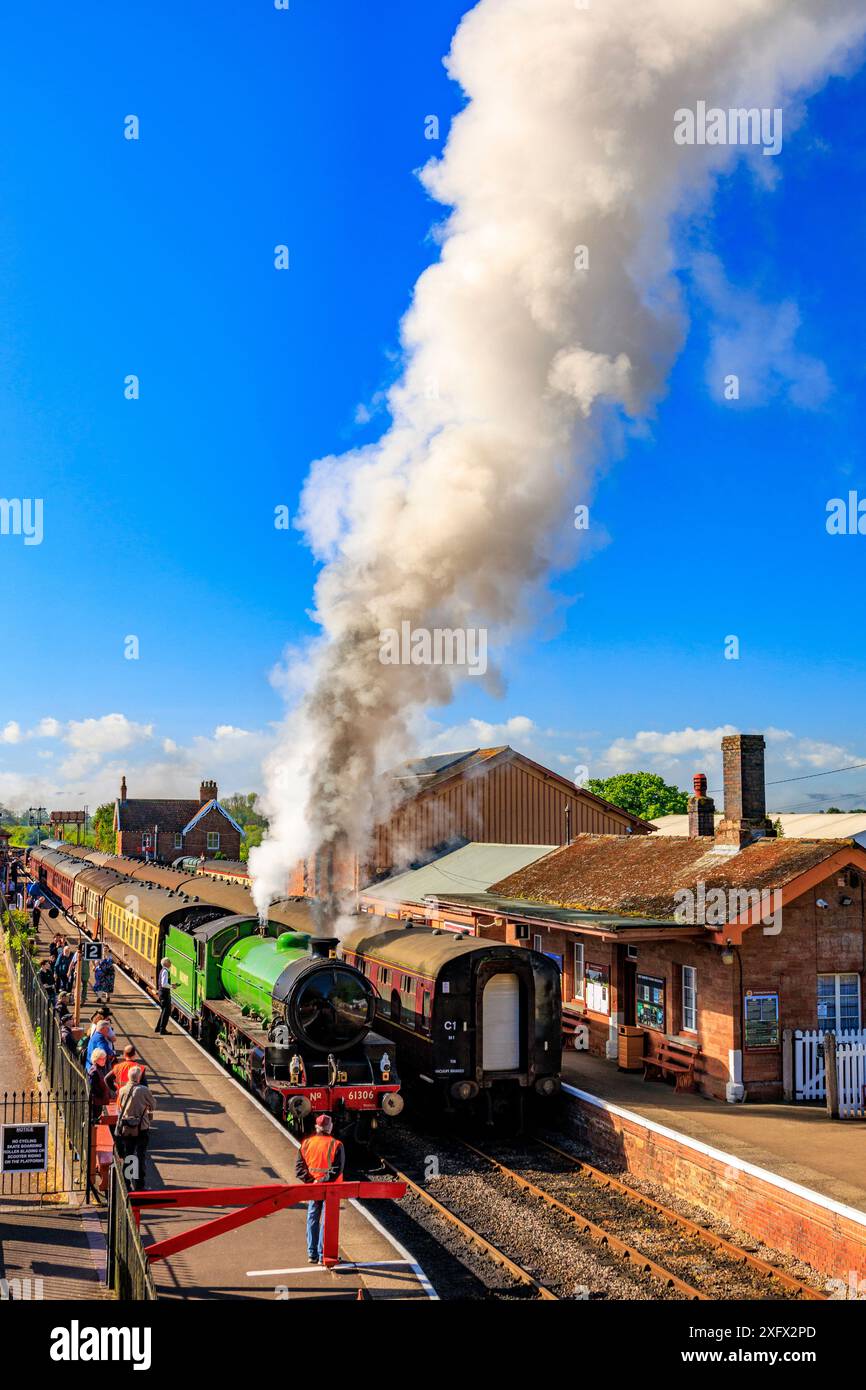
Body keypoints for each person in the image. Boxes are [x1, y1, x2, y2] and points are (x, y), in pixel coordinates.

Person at [296, 1115, 345, 1264]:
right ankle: (323, 1253)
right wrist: (322, 1181)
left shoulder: (306, 1144)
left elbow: (299, 1170)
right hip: (332, 1189)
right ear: (330, 1128)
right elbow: (337, 1170)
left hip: (313, 1189)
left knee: (312, 1217)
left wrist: (314, 1181)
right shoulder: (336, 1145)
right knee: (327, 1220)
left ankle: (312, 1254)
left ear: (316, 1127)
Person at [115, 1066, 154, 1192]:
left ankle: (127, 1184)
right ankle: (139, 1185)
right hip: (141, 1126)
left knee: (129, 1154)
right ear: (139, 1077)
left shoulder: (122, 1090)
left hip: (127, 1127)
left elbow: (120, 1105)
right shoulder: (144, 1090)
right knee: (140, 1155)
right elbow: (153, 1105)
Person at [86, 1047, 114, 1121]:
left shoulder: (100, 1068)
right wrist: (102, 1094)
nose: (105, 1060)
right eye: (102, 1058)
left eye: (105, 1058)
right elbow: (92, 1087)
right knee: (96, 1118)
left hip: (101, 1100)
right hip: (97, 1101)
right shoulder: (94, 1072)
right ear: (96, 1059)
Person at [154, 957, 172, 1035]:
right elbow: (164, 984)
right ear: (166, 963)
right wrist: (172, 986)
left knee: (164, 1011)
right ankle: (162, 1029)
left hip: (162, 993)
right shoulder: (165, 972)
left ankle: (158, 1028)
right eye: (169, 962)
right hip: (164, 994)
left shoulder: (163, 971)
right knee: (166, 1012)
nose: (171, 963)